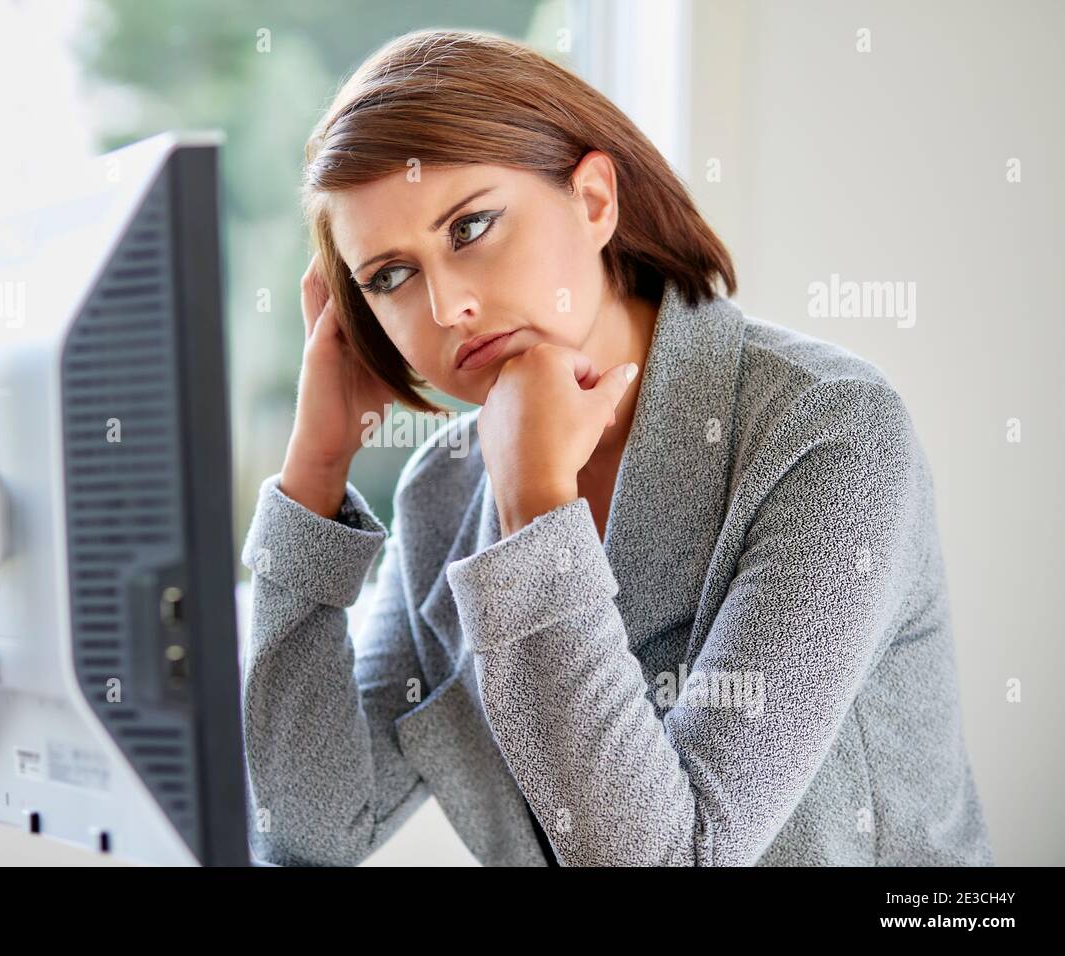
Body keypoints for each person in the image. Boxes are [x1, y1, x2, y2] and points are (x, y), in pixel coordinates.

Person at [239, 28, 994, 866]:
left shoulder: (830, 434)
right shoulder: (445, 493)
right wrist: (314, 473)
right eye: (390, 276)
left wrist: (535, 507)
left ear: (594, 201)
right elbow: (304, 830)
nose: (447, 304)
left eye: (471, 227)